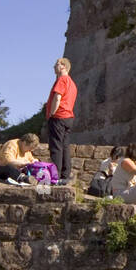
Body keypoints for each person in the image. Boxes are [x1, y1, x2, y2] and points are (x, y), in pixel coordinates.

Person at [45, 58, 77, 186]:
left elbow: (57, 98)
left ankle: (55, 176)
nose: (54, 67)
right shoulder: (72, 83)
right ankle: (65, 175)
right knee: (64, 146)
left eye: (56, 64)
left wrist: (52, 113)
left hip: (59, 116)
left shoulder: (62, 80)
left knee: (56, 147)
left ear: (63, 66)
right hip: (68, 117)